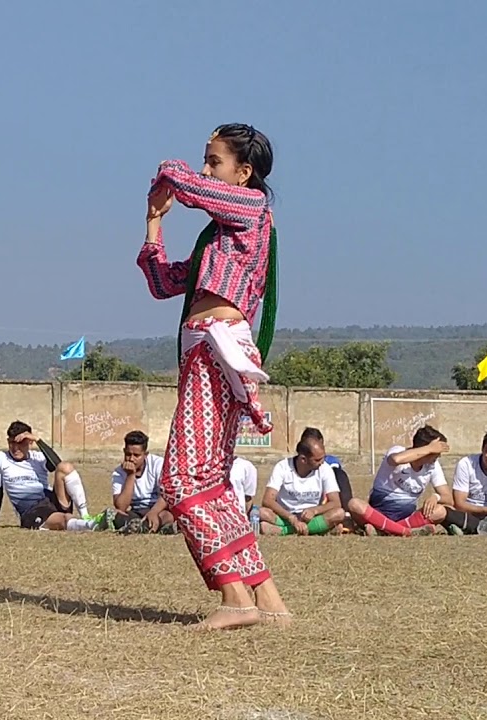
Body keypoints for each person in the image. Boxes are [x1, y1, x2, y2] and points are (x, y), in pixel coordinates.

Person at [138, 123, 290, 629]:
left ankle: (234, 597)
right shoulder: (217, 240)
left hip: (216, 346)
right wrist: (154, 224)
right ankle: (266, 599)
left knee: (180, 481)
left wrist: (172, 177)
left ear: (244, 173)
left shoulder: (252, 210)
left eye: (214, 161)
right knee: (210, 480)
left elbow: (187, 183)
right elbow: (163, 282)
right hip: (204, 347)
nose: (205, 170)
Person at [0, 421, 94, 531]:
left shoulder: (37, 457)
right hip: (32, 509)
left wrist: (38, 440)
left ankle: (85, 515)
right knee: (65, 519)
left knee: (65, 467)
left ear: (30, 443)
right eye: (12, 443)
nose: (16, 448)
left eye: (21, 443)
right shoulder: (1, 458)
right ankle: (92, 525)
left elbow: (56, 465)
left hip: (51, 500)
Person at [348, 426, 452, 537]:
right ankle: (405, 531)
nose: (439, 455)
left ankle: (386, 529)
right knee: (354, 504)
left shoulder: (433, 466)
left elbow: (449, 499)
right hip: (378, 513)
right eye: (436, 450)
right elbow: (396, 460)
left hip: (406, 517)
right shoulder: (398, 451)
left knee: (440, 511)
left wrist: (436, 497)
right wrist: (429, 448)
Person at [259, 434, 345, 536]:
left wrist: (314, 510)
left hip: (312, 517)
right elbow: (267, 500)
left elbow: (336, 502)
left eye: (323, 458)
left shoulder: (325, 469)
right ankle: (318, 529)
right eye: (317, 460)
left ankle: (286, 530)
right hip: (285, 516)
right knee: (262, 512)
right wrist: (291, 518)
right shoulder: (282, 467)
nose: (322, 462)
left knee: (339, 513)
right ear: (303, 459)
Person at [103, 430, 174, 534]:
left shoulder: (158, 465)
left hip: (157, 509)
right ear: (124, 451)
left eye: (136, 455)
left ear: (145, 455)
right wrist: (130, 475)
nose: (131, 459)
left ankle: (145, 526)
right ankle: (141, 526)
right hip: (136, 511)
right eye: (128, 454)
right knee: (115, 515)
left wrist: (153, 512)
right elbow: (121, 506)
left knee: (167, 516)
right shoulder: (119, 472)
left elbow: (167, 495)